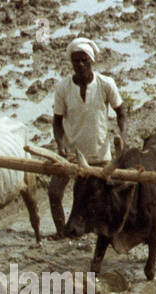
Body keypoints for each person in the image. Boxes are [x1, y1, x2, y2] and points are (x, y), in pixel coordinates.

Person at [49, 37, 128, 237]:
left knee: (109, 198)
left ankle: (104, 232)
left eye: (84, 60)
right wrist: (60, 146)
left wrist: (123, 135)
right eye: (76, 60)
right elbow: (57, 122)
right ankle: (62, 233)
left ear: (91, 61)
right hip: (73, 157)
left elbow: (121, 112)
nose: (80, 64)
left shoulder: (105, 84)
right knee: (53, 192)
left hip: (101, 155)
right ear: (71, 63)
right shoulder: (63, 88)